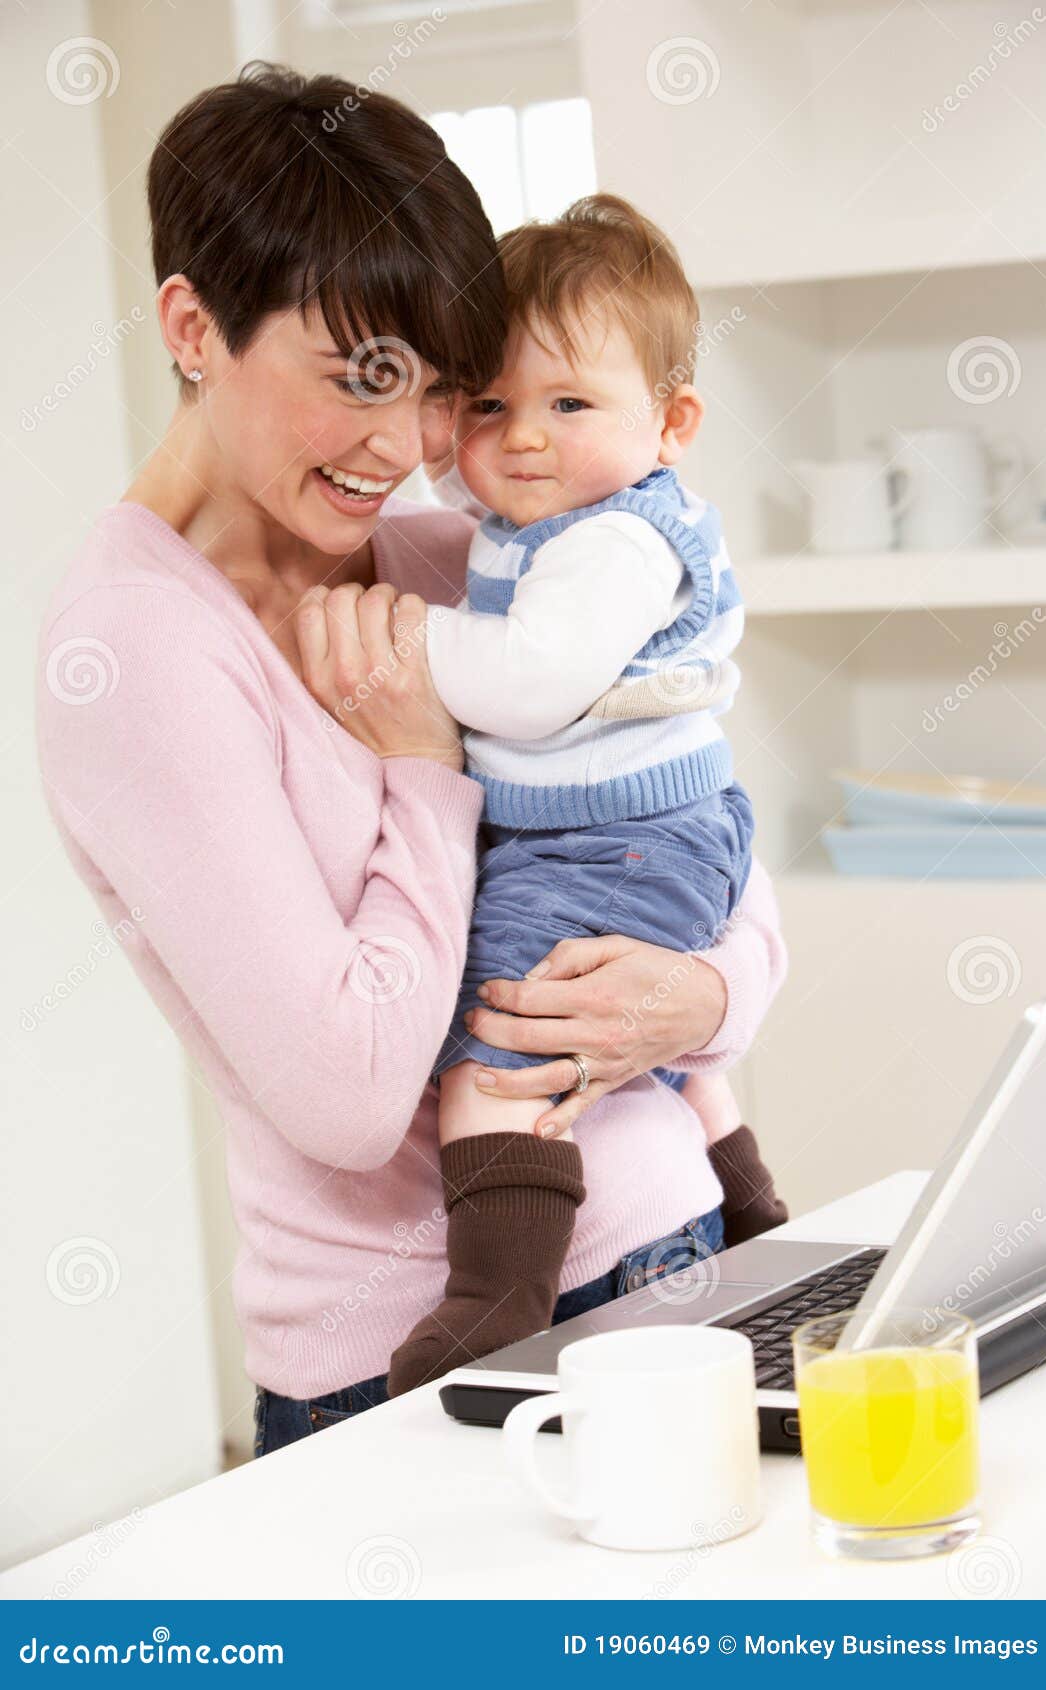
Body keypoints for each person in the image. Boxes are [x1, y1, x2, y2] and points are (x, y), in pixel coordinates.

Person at [36, 64, 787, 1458]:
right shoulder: (136, 653)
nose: (412, 447)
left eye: (440, 387)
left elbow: (705, 833)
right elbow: (348, 1089)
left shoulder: (455, 558)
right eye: (361, 379)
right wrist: (427, 772)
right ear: (194, 326)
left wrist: (699, 996)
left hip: (670, 1263)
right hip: (417, 1369)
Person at [388, 196, 784, 1396]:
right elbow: (455, 487)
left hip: (612, 841)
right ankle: (747, 1195)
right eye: (487, 404)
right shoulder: (537, 512)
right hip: (644, 835)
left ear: (669, 424)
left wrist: (412, 643)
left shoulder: (613, 540)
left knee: (504, 1034)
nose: (520, 440)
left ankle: (494, 1290)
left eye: (568, 404)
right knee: (639, 1032)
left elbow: (526, 683)